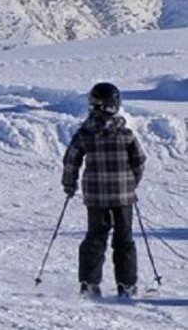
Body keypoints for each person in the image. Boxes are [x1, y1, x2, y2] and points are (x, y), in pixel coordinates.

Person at [64, 82, 147, 298]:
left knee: (95, 237)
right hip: (123, 196)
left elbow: (71, 160)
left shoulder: (85, 133)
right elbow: (139, 161)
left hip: (95, 196)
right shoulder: (127, 134)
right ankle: (126, 285)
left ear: (94, 105)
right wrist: (131, 182)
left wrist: (69, 184)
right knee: (124, 239)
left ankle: (89, 284)